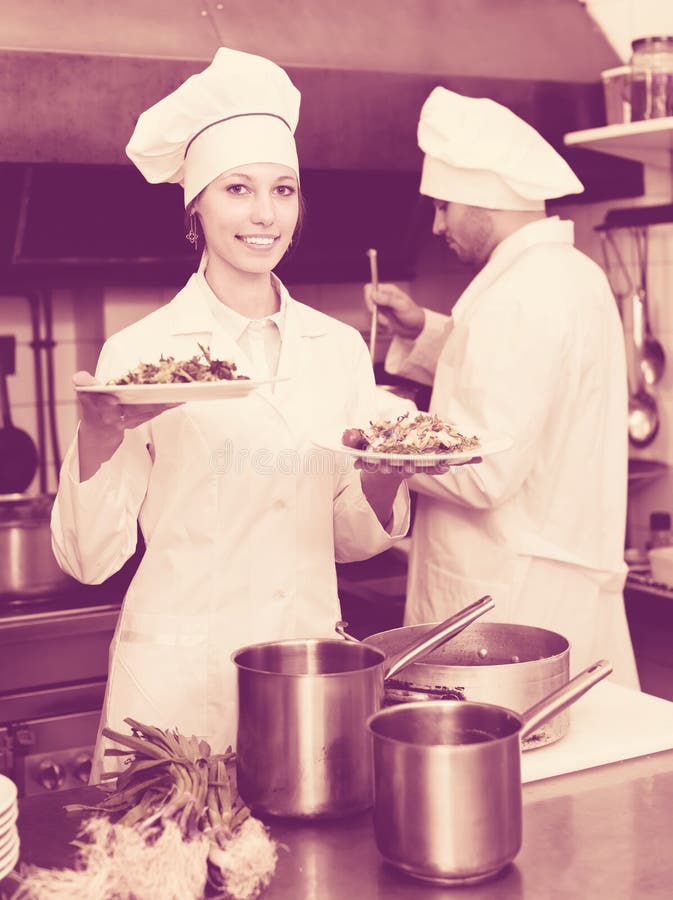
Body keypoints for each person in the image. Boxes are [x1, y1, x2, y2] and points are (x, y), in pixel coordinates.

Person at [51, 48, 422, 782]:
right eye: (238, 189)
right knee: (169, 852)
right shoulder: (142, 351)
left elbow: (349, 541)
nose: (264, 214)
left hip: (307, 675)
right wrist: (99, 436)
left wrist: (385, 476)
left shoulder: (338, 348)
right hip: (178, 689)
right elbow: (89, 561)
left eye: (283, 189)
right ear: (196, 206)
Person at [365, 86, 639, 688]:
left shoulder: (521, 296)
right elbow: (509, 385)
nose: (438, 225)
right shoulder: (568, 275)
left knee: (515, 746)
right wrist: (422, 330)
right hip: (543, 576)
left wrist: (371, 431)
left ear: (483, 199)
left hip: (509, 602)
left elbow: (485, 470)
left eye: (443, 206)